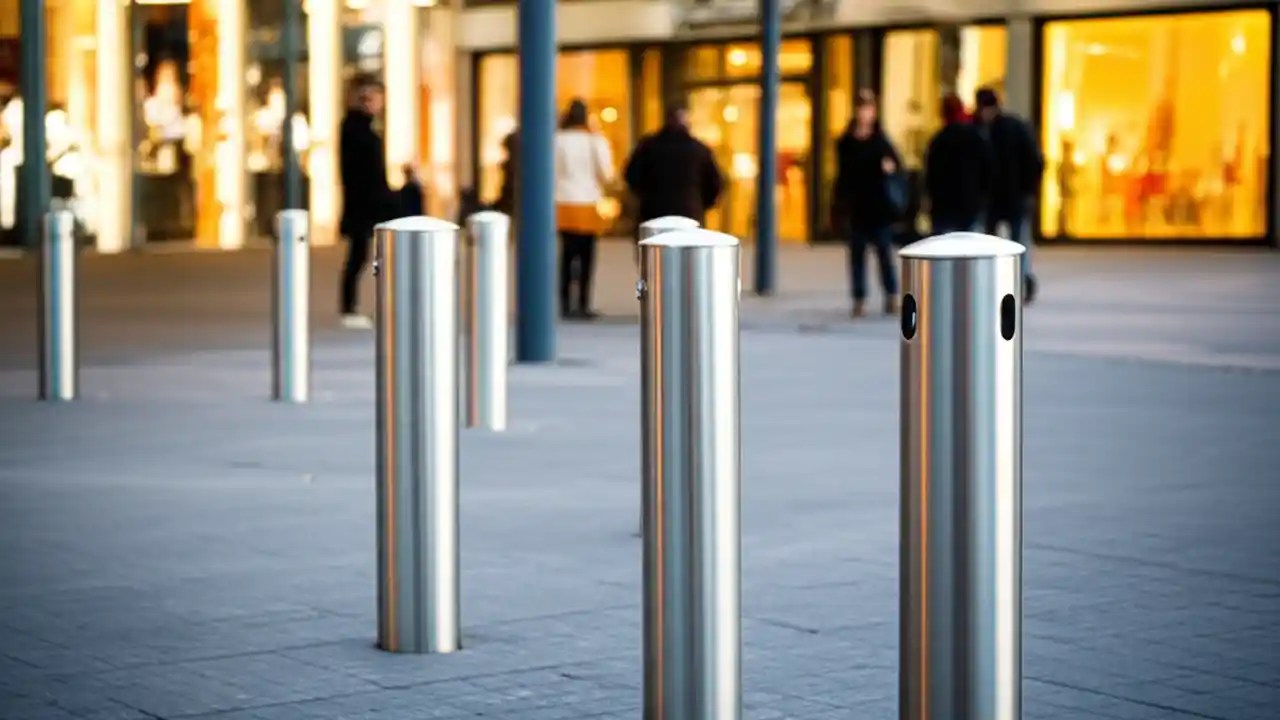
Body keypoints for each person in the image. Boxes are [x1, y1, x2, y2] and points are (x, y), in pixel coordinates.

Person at [832, 89, 903, 318]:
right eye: (862, 108)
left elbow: (896, 166)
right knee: (857, 254)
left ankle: (891, 295)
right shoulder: (846, 141)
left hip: (878, 205)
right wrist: (839, 204)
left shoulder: (881, 140)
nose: (865, 113)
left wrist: (889, 169)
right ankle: (859, 298)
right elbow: (842, 175)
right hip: (856, 205)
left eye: (869, 108)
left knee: (883, 252)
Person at [338, 74, 398, 329]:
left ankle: (353, 307)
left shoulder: (364, 127)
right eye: (371, 97)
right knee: (358, 255)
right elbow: (361, 172)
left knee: (362, 254)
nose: (376, 103)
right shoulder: (356, 129)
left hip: (368, 200)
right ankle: (348, 308)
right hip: (363, 202)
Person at [974, 87, 1043, 302]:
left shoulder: (990, 130)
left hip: (1006, 197)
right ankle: (1018, 282)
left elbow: (1034, 161)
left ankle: (1016, 282)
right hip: (1009, 197)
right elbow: (1036, 160)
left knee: (1010, 243)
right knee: (1015, 243)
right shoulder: (1012, 127)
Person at [623, 97, 723, 238]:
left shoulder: (648, 146)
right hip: (689, 213)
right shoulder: (699, 149)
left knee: (655, 256)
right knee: (688, 256)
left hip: (654, 212)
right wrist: (702, 204)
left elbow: (631, 176)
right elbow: (715, 183)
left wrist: (645, 196)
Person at [554, 99, 613, 320]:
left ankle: (564, 303)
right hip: (587, 201)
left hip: (562, 200)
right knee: (587, 256)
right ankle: (583, 303)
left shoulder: (556, 140)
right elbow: (606, 173)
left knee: (566, 256)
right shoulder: (594, 140)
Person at [925, 94, 993, 234]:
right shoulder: (975, 136)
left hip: (944, 205)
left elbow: (931, 176)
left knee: (945, 249)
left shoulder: (939, 140)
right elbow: (988, 169)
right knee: (973, 248)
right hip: (971, 203)